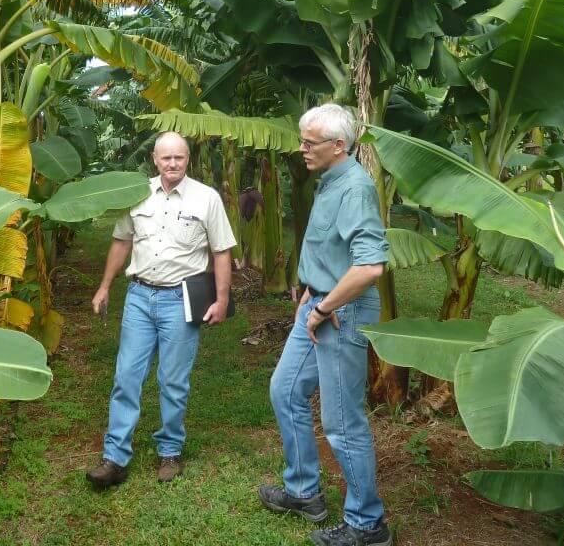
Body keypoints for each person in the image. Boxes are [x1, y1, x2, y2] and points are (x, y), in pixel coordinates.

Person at [259, 104, 391, 546]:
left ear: (339, 145)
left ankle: (367, 523)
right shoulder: (329, 180)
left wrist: (323, 305)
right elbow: (326, 241)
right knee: (285, 389)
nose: (301, 149)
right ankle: (303, 493)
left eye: (309, 143)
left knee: (341, 421)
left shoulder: (355, 188)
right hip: (317, 304)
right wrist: (306, 283)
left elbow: (370, 266)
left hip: (340, 312)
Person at [85, 131, 237, 488]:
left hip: (179, 300)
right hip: (139, 297)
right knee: (126, 377)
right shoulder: (138, 195)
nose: (172, 164)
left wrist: (222, 299)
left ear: (188, 160)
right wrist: (105, 286)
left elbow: (221, 252)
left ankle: (169, 451)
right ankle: (115, 458)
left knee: (173, 380)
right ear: (155, 159)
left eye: (179, 158)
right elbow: (122, 241)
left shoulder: (206, 199)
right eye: (166, 158)